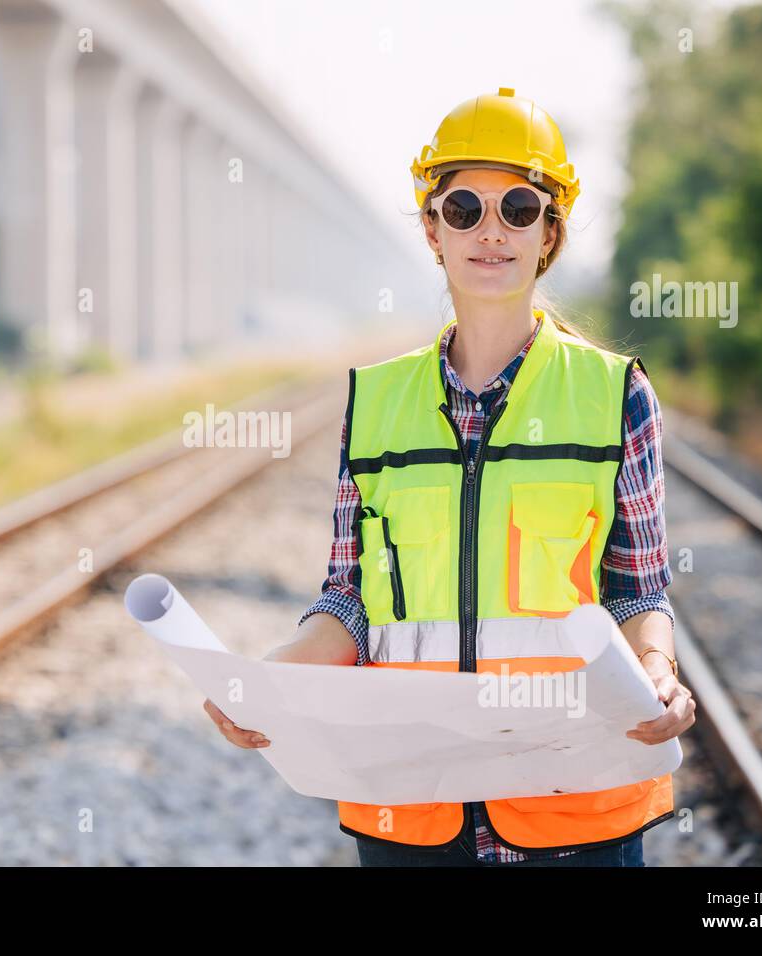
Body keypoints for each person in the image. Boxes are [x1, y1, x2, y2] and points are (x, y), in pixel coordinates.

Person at [203, 88, 694, 867]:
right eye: (463, 208)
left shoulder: (615, 394)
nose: (490, 231)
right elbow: (351, 602)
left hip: (572, 805)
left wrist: (659, 673)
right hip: (413, 806)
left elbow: (637, 589)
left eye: (518, 208)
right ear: (432, 231)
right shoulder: (374, 403)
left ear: (550, 232)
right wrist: (264, 683)